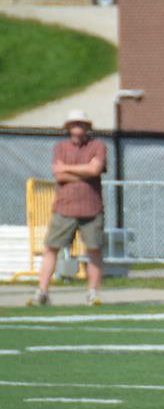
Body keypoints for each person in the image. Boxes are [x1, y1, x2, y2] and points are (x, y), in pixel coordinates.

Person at [29, 110, 107, 307]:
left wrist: (69, 169)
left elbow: (95, 169)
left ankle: (93, 293)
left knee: (94, 250)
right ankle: (42, 292)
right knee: (51, 248)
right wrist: (84, 172)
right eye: (74, 124)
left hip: (92, 208)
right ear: (68, 127)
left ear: (87, 126)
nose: (77, 128)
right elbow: (58, 174)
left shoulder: (97, 145)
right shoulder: (60, 147)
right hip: (64, 207)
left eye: (81, 124)